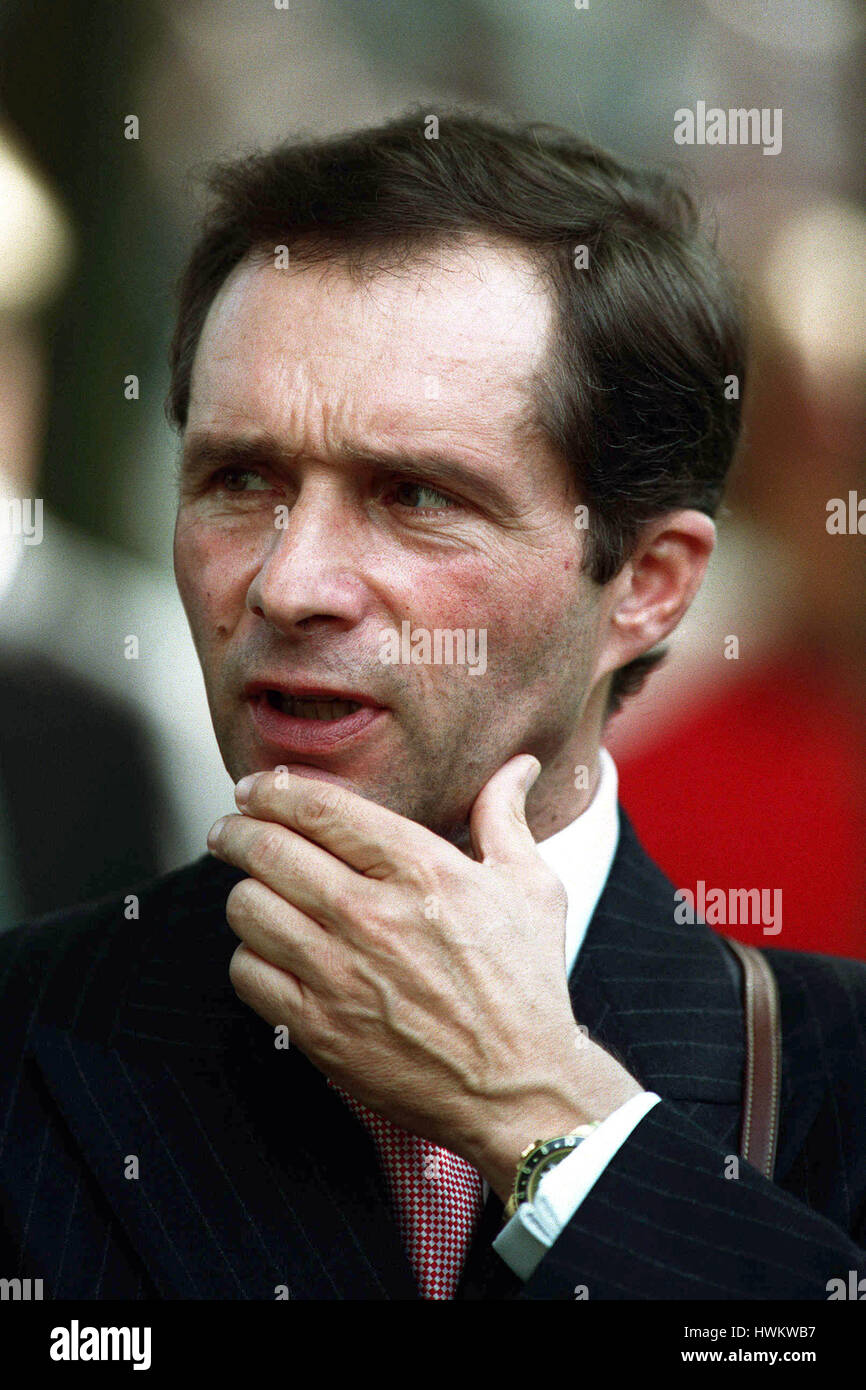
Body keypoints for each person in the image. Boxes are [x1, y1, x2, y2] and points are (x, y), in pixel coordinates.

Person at [1, 110, 864, 1301]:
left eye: (413, 494)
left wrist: (548, 1118)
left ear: (648, 586)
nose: (288, 582)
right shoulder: (29, 1040)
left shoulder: (831, 1074)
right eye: (239, 480)